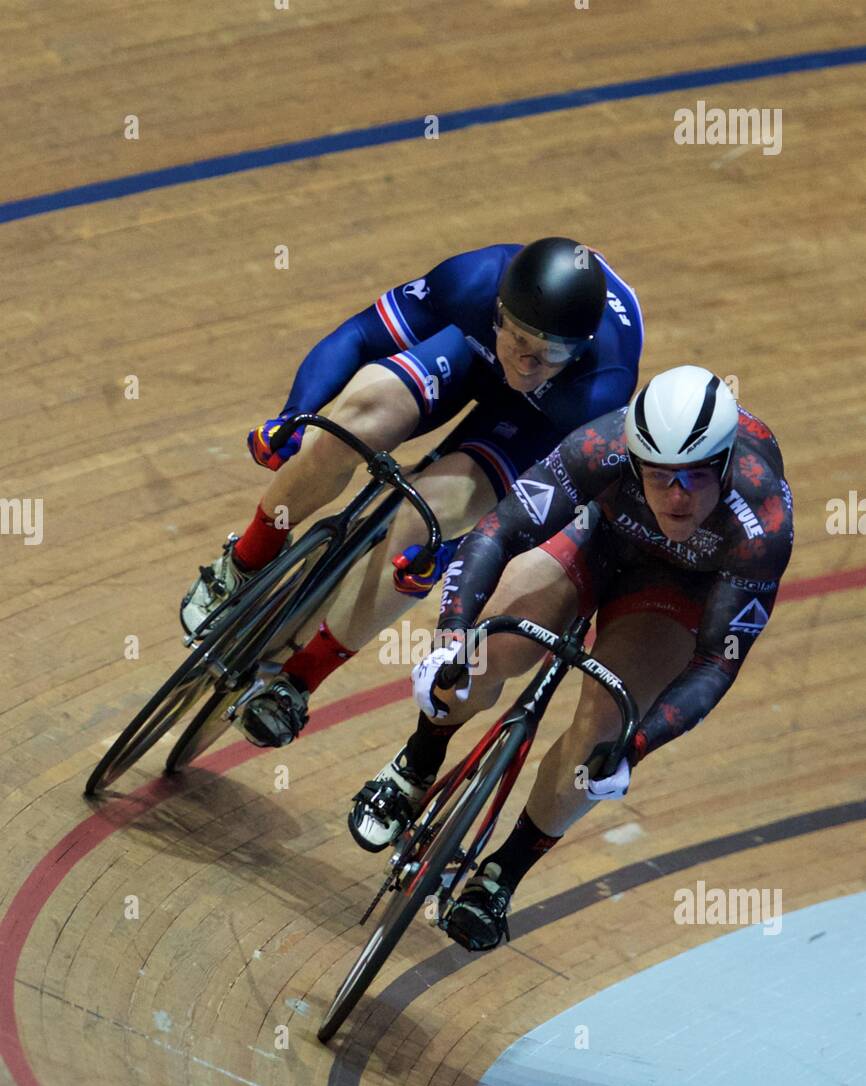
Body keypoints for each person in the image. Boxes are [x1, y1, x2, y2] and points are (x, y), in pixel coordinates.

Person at [349, 366, 794, 950]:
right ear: (634, 460)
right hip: (597, 541)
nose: (677, 496)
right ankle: (418, 760)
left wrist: (636, 747)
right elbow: (498, 530)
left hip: (675, 592)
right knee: (487, 652)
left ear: (726, 462)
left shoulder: (761, 521)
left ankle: (501, 875)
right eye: (660, 477)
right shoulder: (601, 445)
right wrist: (453, 634)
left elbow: (717, 661)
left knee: (603, 736)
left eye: (694, 477)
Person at [180, 238, 643, 747]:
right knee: (354, 418)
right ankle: (247, 557)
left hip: (536, 424)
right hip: (470, 354)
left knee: (425, 519)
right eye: (520, 343)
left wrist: (445, 553)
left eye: (550, 355)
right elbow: (359, 336)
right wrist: (292, 416)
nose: (529, 366)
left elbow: (539, 508)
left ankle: (299, 680)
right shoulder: (473, 280)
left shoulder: (601, 388)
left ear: (577, 350)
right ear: (499, 311)